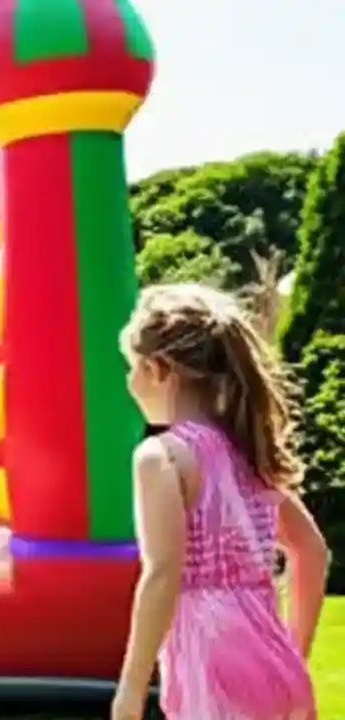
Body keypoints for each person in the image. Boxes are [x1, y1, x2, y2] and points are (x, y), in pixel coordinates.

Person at [111, 284, 328, 720]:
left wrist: (131, 689)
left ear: (158, 370)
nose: (128, 382)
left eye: (132, 368)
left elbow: (163, 573)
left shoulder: (162, 456)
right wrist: (293, 650)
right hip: (268, 652)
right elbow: (312, 550)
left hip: (208, 655)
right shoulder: (249, 455)